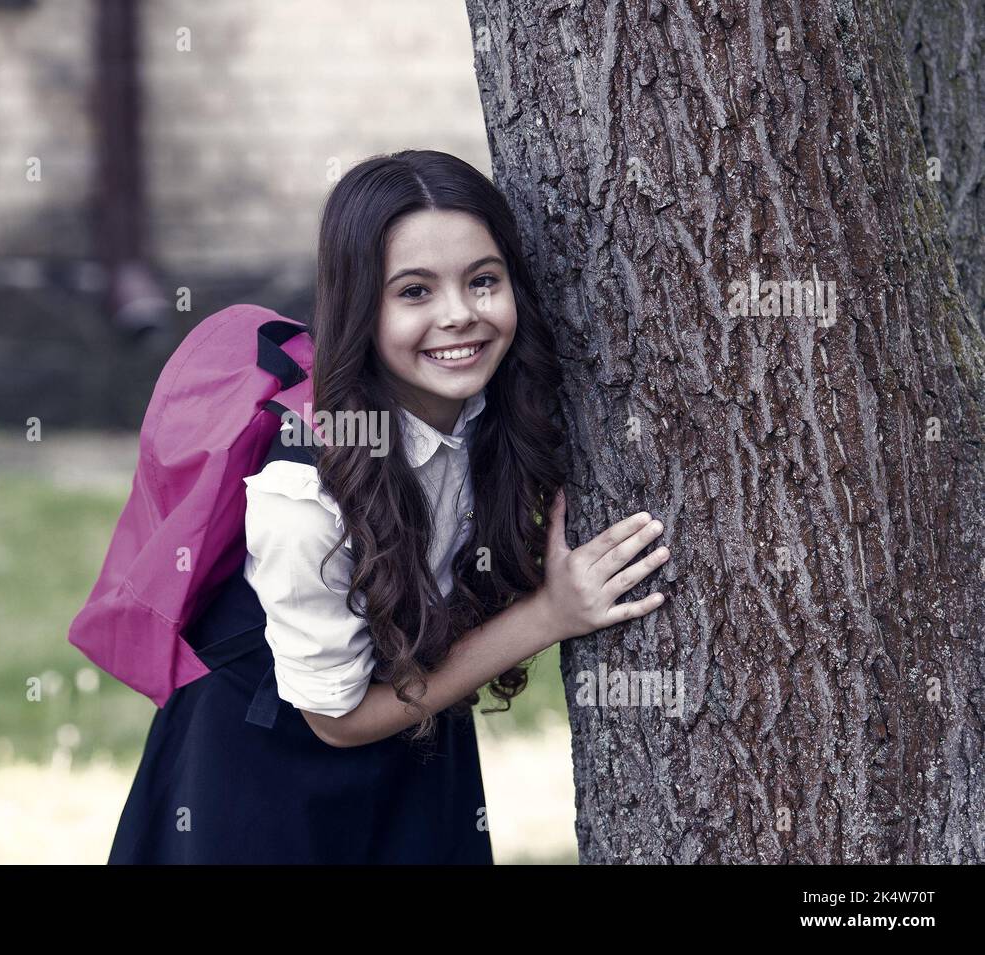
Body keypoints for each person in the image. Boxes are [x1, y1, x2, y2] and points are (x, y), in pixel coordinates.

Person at [107, 149, 670, 864]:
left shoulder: (500, 405)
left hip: (417, 745)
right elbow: (337, 720)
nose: (459, 315)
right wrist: (551, 616)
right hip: (262, 782)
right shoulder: (303, 497)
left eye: (483, 281)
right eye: (414, 292)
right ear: (360, 306)